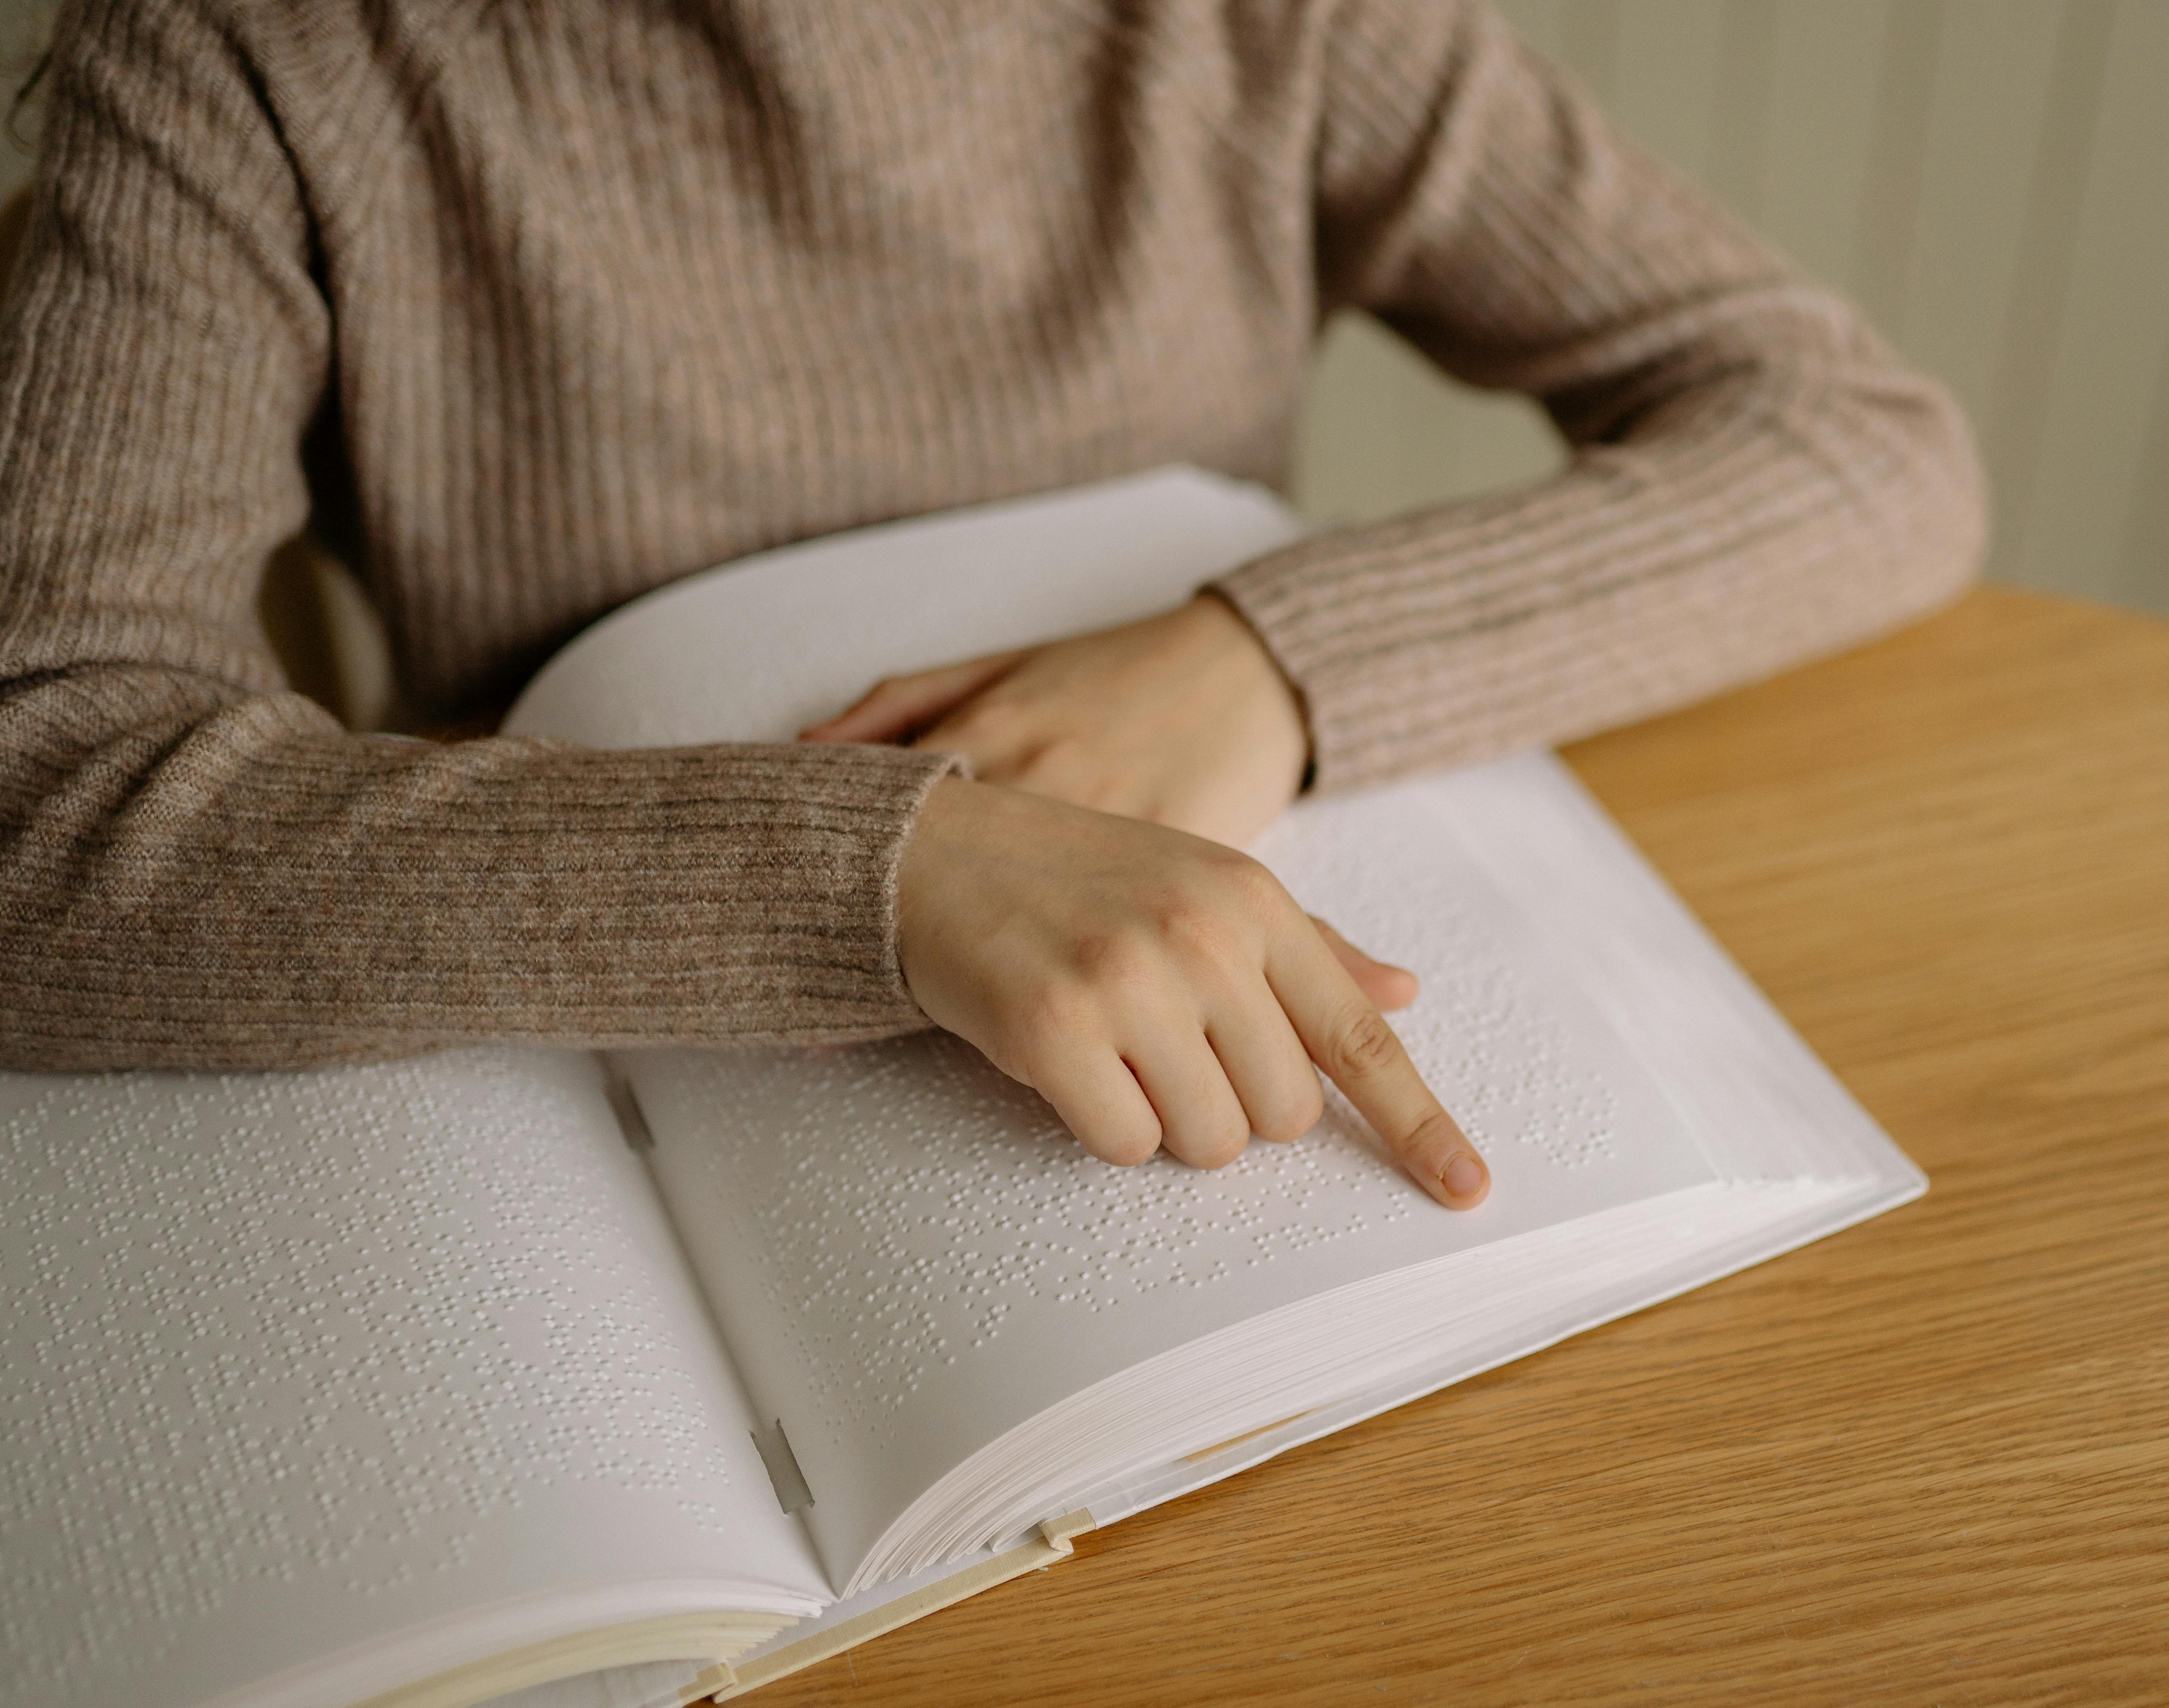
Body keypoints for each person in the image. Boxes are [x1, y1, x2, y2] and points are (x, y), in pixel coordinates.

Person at [0, 0, 1985, 1207]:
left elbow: (1869, 445)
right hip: (608, 1103)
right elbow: (40, 799)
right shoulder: (223, 55)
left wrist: (1275, 667)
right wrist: (876, 875)